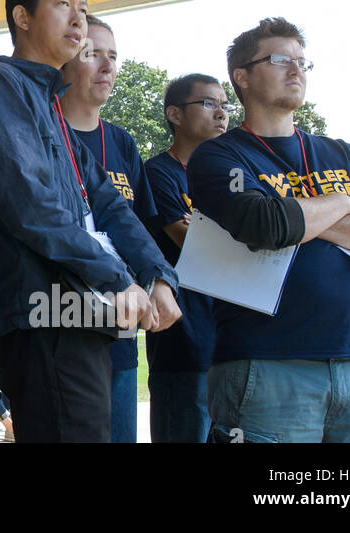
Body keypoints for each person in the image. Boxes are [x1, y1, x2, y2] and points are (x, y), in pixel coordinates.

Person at [0, 0, 180, 443]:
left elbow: (110, 204)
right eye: (63, 5)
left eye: (84, 9)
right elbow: (30, 207)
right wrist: (117, 278)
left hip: (82, 316)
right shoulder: (1, 87)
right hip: (45, 316)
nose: (79, 20)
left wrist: (158, 274)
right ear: (22, 16)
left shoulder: (51, 106)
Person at [187, 18, 350, 442]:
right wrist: (345, 203)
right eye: (279, 60)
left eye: (303, 62)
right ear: (242, 77)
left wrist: (302, 219)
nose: (296, 71)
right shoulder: (219, 155)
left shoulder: (342, 153)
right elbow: (264, 225)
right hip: (265, 367)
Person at [58, 15, 156, 443]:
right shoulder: (39, 134)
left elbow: (141, 228)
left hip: (119, 331)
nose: (107, 66)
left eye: (113, 56)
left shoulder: (122, 143)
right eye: (92, 53)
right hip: (58, 329)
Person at [142, 73, 229, 442]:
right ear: (174, 114)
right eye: (209, 103)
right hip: (183, 337)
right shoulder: (158, 173)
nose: (222, 114)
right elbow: (189, 240)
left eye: (226, 105)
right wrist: (230, 234)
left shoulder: (230, 177)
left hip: (232, 337)